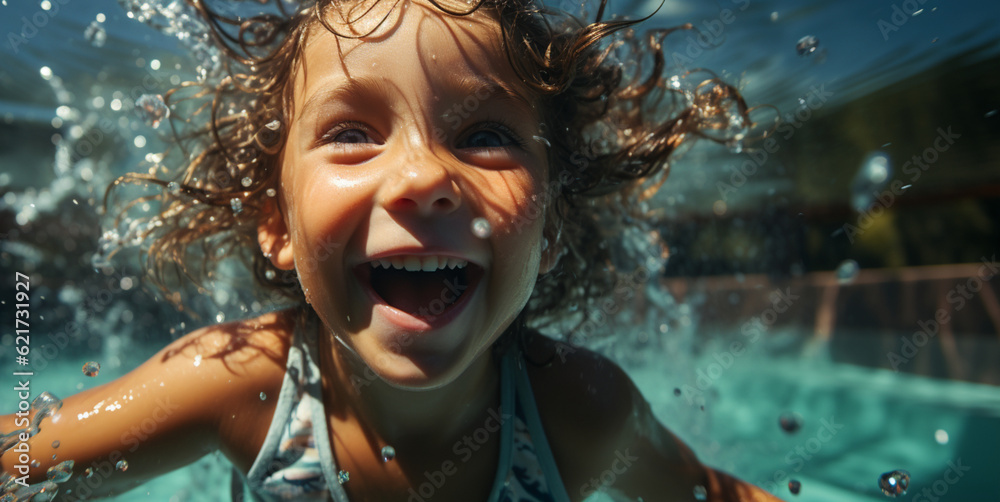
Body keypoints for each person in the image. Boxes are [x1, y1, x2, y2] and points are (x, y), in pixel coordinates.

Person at [1, 0, 779, 500]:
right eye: (351, 133)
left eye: (485, 136)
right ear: (279, 224)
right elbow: (21, 465)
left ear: (551, 230)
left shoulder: (579, 411)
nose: (422, 177)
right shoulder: (240, 385)